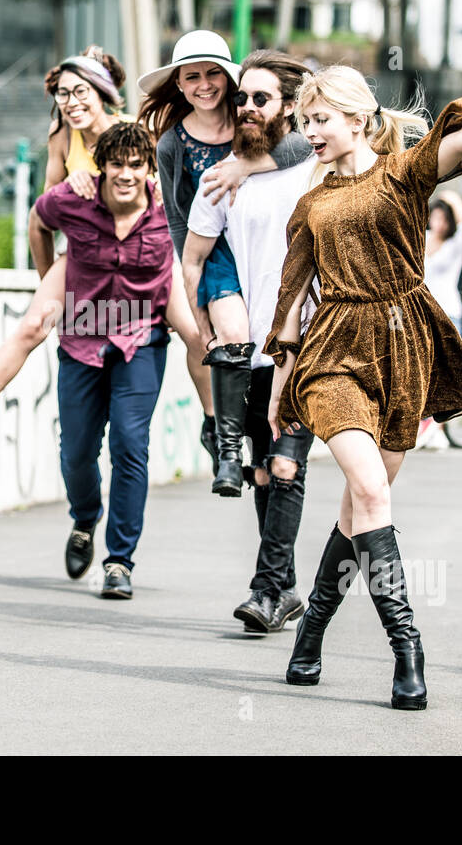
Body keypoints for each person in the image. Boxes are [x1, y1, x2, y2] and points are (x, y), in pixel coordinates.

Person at [264, 51, 462, 709]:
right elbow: (289, 298)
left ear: (358, 118)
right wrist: (280, 386)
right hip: (333, 352)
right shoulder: (310, 205)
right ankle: (407, 651)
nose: (312, 132)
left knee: (359, 505)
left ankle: (309, 634)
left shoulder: (402, 175)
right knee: (368, 488)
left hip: (404, 349)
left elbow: (459, 142)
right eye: (307, 121)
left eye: (322, 118)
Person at [0, 48, 214, 467]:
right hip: (84, 254)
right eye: (62, 94)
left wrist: (104, 180)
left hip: (142, 254)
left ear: (101, 92)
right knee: (31, 325)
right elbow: (42, 209)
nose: (71, 102)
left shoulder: (132, 131)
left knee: (194, 333)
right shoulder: (62, 136)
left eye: (80, 92)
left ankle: (214, 425)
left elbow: (152, 196)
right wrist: (51, 281)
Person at [181, 50, 325, 634]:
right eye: (242, 97)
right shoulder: (221, 177)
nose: (245, 106)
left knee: (286, 466)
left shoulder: (318, 168)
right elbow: (191, 260)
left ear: (289, 108)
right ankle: (285, 588)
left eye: (260, 97)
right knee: (263, 472)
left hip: (308, 342)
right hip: (250, 352)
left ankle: (265, 592)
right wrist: (204, 330)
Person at [137, 30, 312, 497]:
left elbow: (299, 147)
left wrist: (244, 166)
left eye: (213, 73)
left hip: (261, 243)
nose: (204, 85)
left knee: (264, 346)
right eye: (191, 76)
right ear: (178, 84)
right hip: (214, 253)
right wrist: (192, 287)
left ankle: (248, 439)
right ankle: (225, 447)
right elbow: (178, 222)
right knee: (225, 337)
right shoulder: (172, 145)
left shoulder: (249, 119)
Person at [28, 122, 173, 599]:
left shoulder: (169, 208)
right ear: (102, 167)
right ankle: (85, 518)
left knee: (130, 446)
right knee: (76, 451)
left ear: (149, 168)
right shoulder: (73, 201)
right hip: (80, 342)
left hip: (143, 341)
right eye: (117, 164)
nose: (126, 173)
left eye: (136, 164)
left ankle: (118, 562)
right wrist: (48, 278)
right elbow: (38, 219)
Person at [424, 190, 462, 336]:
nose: (440, 223)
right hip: (422, 315)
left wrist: (451, 197)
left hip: (448, 313)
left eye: (445, 219)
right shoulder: (421, 238)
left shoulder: (454, 244)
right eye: (437, 217)